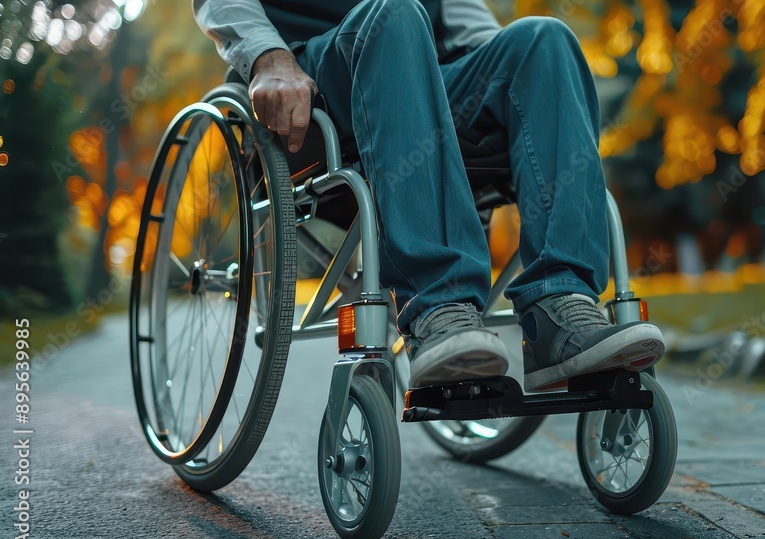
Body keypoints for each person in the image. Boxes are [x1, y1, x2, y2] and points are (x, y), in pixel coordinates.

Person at [193, 0, 665, 391]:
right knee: (394, 13)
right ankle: (440, 309)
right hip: (311, 96)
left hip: (424, 90)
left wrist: (512, 81)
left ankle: (558, 313)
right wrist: (268, 58)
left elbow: (477, 35)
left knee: (543, 41)